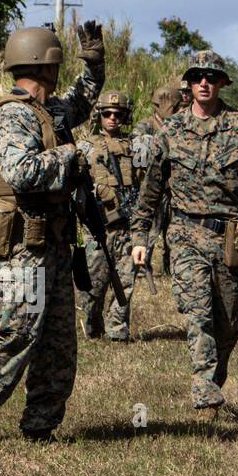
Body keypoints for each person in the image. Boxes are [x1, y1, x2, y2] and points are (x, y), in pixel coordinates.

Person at [0, 22, 110, 442]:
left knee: (58, 343)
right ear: (47, 65)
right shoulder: (13, 114)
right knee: (14, 335)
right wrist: (74, 154)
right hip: (19, 246)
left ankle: (40, 426)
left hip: (52, 244)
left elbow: (83, 100)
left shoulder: (48, 112)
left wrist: (94, 60)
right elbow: (21, 172)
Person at [130, 50, 238, 414]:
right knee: (198, 314)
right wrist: (140, 237)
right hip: (184, 234)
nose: (203, 83)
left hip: (230, 238)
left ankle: (213, 384)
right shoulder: (171, 131)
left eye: (211, 78)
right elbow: (150, 191)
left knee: (227, 322)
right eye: (197, 77)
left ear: (221, 83)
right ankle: (203, 389)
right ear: (189, 83)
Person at [79, 90, 140, 342]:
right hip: (99, 226)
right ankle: (92, 327)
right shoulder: (86, 147)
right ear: (99, 116)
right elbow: (76, 186)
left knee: (125, 281)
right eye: (107, 113)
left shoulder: (134, 147)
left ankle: (118, 330)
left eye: (118, 114)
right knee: (94, 284)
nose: (112, 118)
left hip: (126, 226)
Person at [131, 83, 180, 276]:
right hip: (153, 186)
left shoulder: (176, 126)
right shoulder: (146, 125)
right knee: (152, 228)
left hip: (172, 187)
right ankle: (143, 265)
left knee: (172, 229)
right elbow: (136, 150)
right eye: (174, 107)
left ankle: (171, 267)